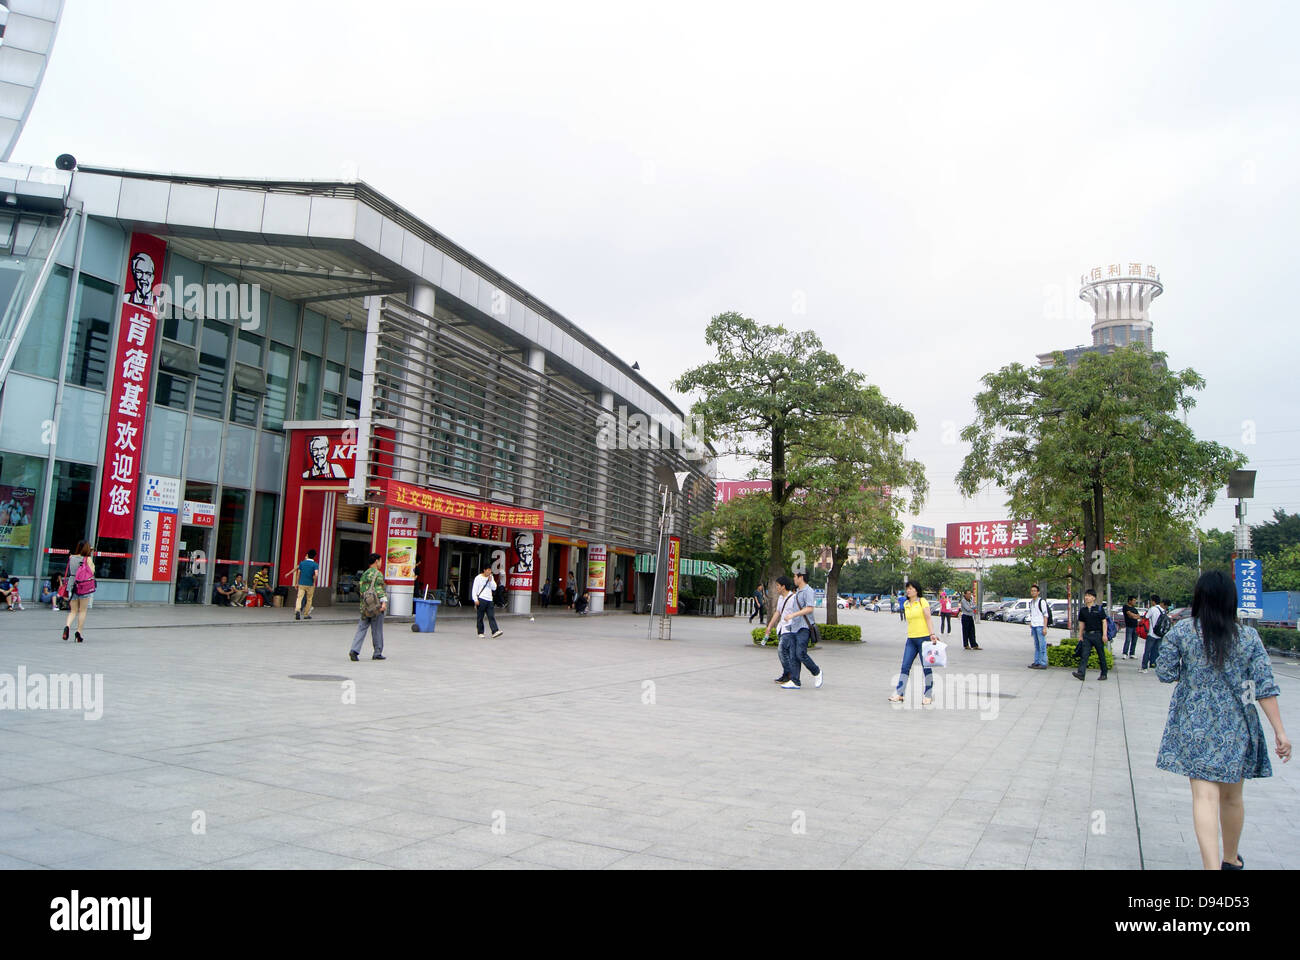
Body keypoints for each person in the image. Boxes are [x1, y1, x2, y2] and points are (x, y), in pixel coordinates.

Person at [1156, 570, 1291, 870]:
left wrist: (1191, 677)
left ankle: (1210, 867)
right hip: (1237, 726)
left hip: (1195, 723)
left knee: (1204, 798)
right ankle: (1230, 859)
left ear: (1199, 598)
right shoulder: (1248, 637)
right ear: (1232, 600)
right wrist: (1280, 732)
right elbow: (1264, 686)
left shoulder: (1181, 632)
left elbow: (1164, 672)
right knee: (1232, 797)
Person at [763, 574, 822, 689]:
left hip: (804, 627)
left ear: (801, 577)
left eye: (795, 577)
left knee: (800, 653)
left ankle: (817, 672)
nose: (794, 579)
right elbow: (778, 612)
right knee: (793, 655)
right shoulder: (798, 592)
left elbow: (810, 608)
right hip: (794, 627)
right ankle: (795, 681)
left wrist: (792, 615)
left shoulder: (808, 591)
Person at [890, 580, 937, 704]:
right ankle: (900, 694)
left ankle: (928, 695)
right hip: (911, 639)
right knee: (905, 666)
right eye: (907, 588)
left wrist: (932, 634)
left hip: (924, 639)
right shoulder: (906, 604)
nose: (908, 590)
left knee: (926, 668)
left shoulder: (922, 602)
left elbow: (928, 619)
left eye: (910, 588)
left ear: (916, 590)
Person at [349, 552, 387, 661]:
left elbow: (361, 590)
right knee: (377, 629)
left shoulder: (364, 574)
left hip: (365, 606)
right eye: (380, 561)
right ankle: (377, 652)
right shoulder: (378, 574)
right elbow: (379, 589)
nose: (380, 563)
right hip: (375, 606)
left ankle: (354, 650)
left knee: (362, 628)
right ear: (376, 561)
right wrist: (383, 603)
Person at [1073, 589, 1109, 681]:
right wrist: (1080, 635)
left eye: (1089, 596)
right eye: (1086, 595)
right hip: (1087, 635)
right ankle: (1081, 673)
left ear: (1093, 598)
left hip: (1097, 634)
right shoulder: (1083, 610)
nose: (1086, 597)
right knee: (1084, 655)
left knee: (1101, 654)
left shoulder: (1099, 609)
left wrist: (1104, 635)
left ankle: (1104, 673)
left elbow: (1104, 622)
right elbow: (1081, 624)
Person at [62, 541, 94, 643]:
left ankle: (67, 626)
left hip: (72, 585)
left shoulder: (71, 558)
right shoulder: (87, 559)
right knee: (82, 610)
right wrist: (90, 556)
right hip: (84, 585)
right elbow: (92, 571)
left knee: (73, 611)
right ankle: (78, 633)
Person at [472, 563, 503, 638]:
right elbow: (474, 589)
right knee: (480, 617)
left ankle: (495, 631)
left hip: (489, 600)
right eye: (488, 570)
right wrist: (475, 599)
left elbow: (494, 587)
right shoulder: (478, 578)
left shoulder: (491, 578)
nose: (489, 572)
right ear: (484, 570)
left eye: (490, 571)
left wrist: (491, 581)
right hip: (481, 599)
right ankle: (480, 632)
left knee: (491, 616)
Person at [1142, 594, 1167, 673]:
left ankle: (1144, 667)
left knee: (1147, 651)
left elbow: (1146, 617)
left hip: (1152, 634)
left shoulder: (1153, 609)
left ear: (1153, 601)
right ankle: (1154, 664)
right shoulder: (1163, 610)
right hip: (1160, 634)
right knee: (1156, 651)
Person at [1027, 583, 1049, 669]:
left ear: (1038, 592)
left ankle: (1043, 663)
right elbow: (1032, 614)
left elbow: (1045, 615)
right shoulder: (1031, 602)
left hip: (1040, 626)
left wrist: (1044, 627)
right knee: (1036, 645)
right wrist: (1031, 623)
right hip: (1034, 626)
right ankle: (1037, 662)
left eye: (1035, 591)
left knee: (1042, 645)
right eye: (1032, 591)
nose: (1033, 592)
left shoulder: (1041, 602)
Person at [294, 549, 319, 621]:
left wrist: (296, 583)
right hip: (310, 584)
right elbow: (316, 574)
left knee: (299, 598)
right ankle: (306, 614)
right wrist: (314, 581)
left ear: (307, 555)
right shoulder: (315, 564)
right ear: (314, 556)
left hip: (301, 583)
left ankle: (298, 610)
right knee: (309, 599)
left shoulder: (302, 563)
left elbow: (298, 573)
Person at [1121, 595, 1140, 660]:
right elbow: (1129, 614)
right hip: (1129, 626)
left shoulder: (1134, 609)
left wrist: (1134, 616)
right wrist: (1133, 616)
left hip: (1136, 626)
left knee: (1134, 640)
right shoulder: (1125, 607)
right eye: (1134, 600)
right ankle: (1125, 653)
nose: (1135, 602)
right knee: (1128, 640)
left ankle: (1132, 653)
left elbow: (1138, 616)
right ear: (1129, 601)